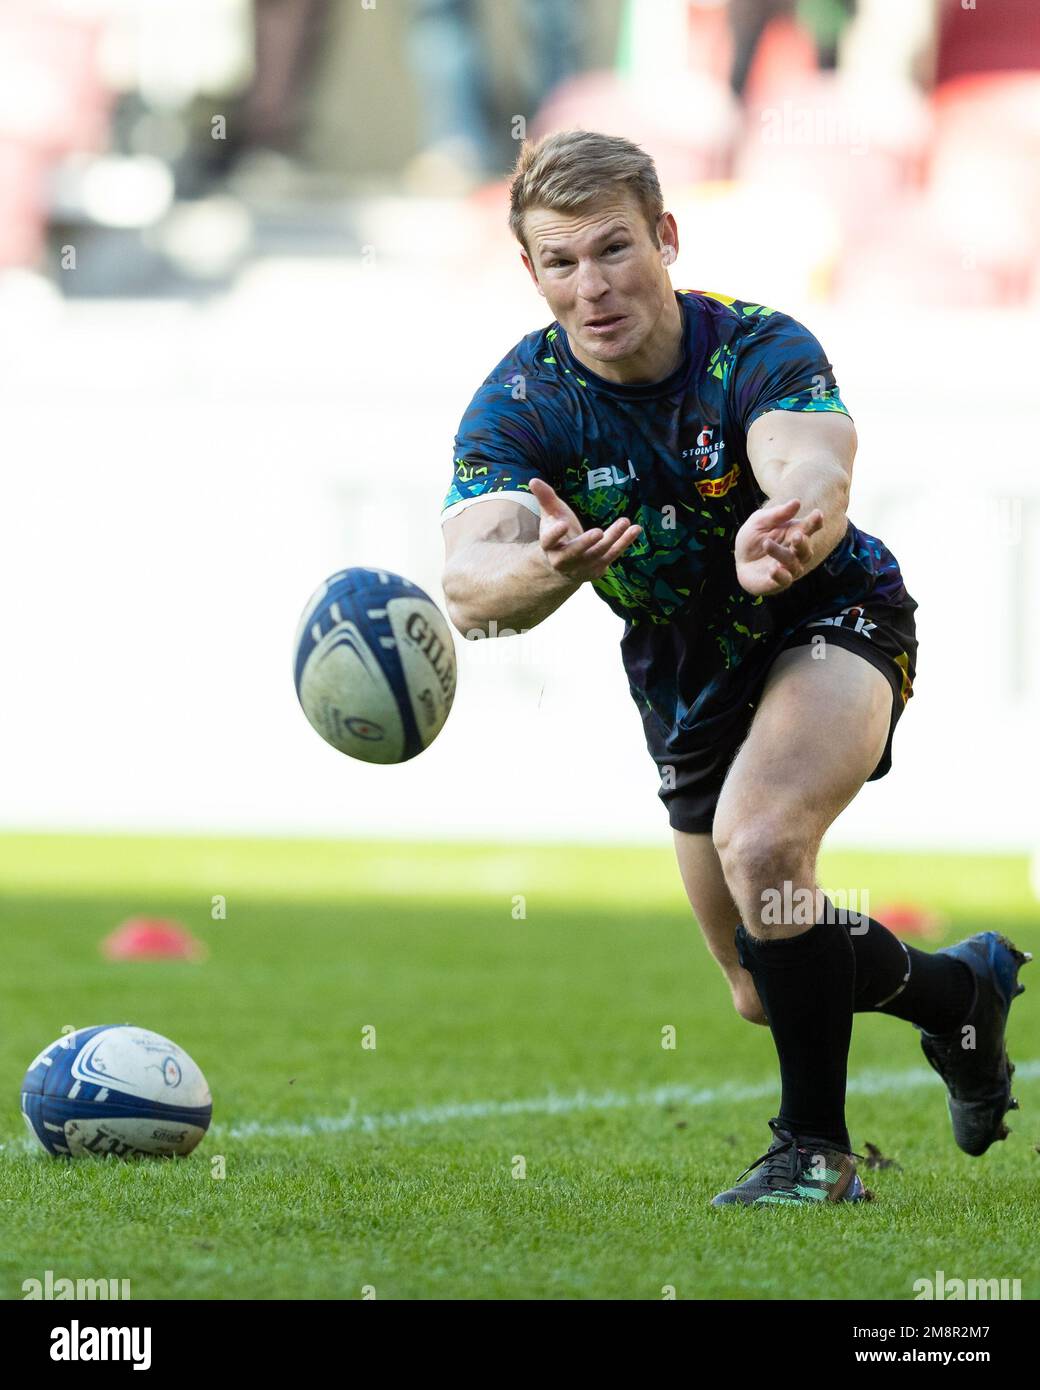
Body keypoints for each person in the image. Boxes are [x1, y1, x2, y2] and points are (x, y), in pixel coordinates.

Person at [439, 129, 1029, 1205]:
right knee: (763, 983)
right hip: (682, 669)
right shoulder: (519, 402)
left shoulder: (755, 346)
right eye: (559, 263)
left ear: (664, 237)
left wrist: (787, 526)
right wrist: (543, 567)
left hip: (828, 613)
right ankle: (956, 991)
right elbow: (469, 585)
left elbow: (809, 456)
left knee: (761, 844)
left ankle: (815, 1151)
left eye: (613, 249)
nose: (591, 284)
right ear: (530, 273)